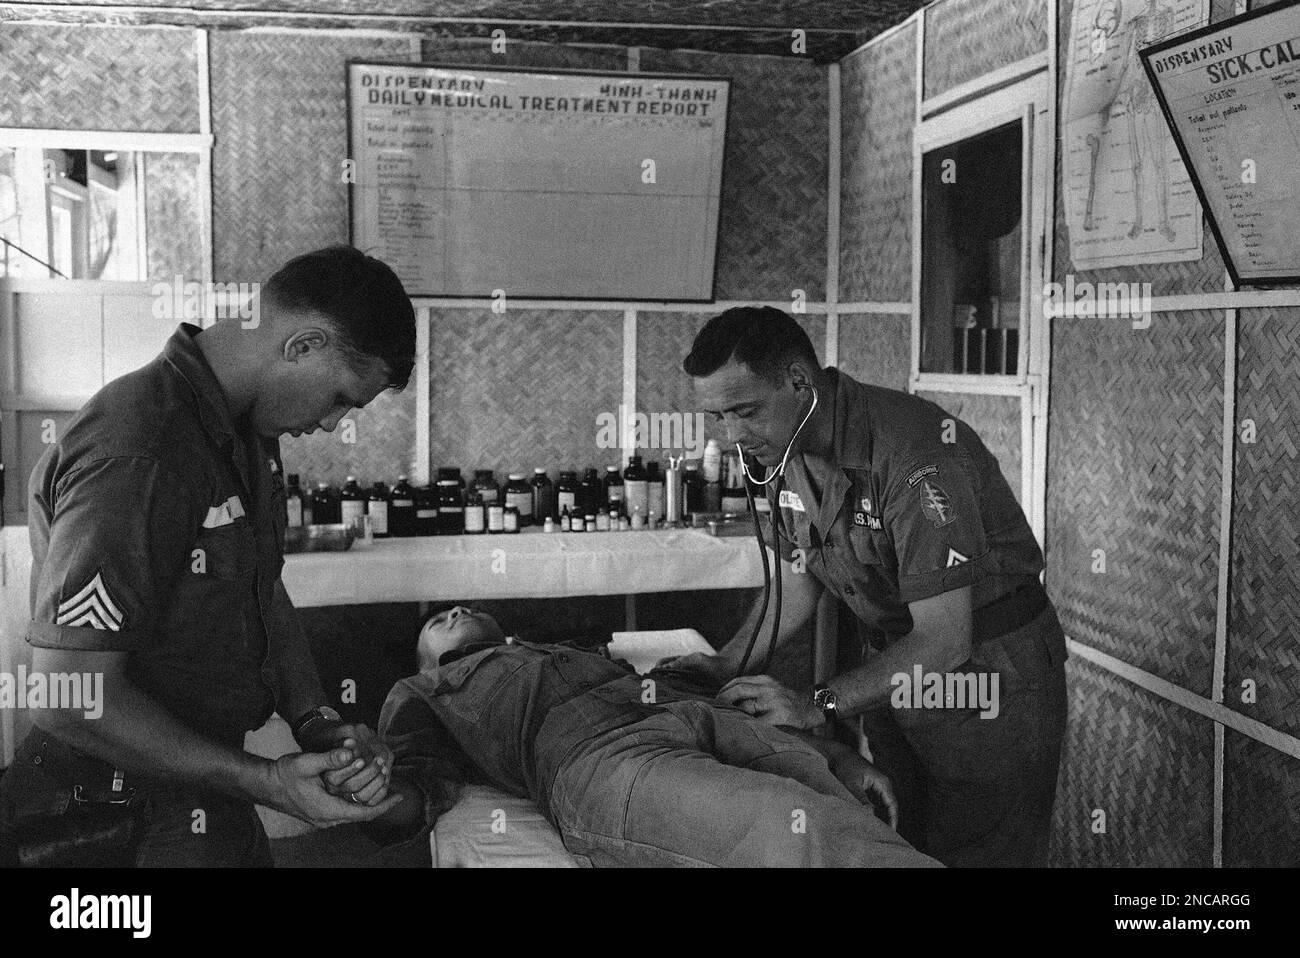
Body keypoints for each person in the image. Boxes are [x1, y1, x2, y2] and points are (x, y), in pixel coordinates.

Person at [0, 246, 415, 867]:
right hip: (113, 810)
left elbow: (261, 591)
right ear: (302, 345)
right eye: (340, 398)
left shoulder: (244, 435)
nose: (331, 424)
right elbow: (68, 694)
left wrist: (317, 720)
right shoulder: (143, 445)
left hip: (202, 788)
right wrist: (269, 782)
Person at [670, 306, 1068, 867]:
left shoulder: (914, 454)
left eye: (745, 411)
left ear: (800, 382)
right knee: (899, 844)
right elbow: (800, 575)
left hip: (985, 678)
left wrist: (817, 704)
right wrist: (726, 662)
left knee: (977, 854)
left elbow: (945, 640)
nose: (734, 435)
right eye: (718, 418)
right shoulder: (784, 446)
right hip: (894, 671)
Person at [372, 606, 942, 868]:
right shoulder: (427, 691)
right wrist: (363, 788)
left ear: (511, 633)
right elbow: (411, 791)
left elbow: (699, 689)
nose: (455, 609)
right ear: (427, 665)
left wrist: (836, 752)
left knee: (837, 802)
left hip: (687, 713)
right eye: (437, 622)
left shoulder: (565, 655)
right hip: (598, 757)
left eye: (464, 607)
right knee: (793, 824)